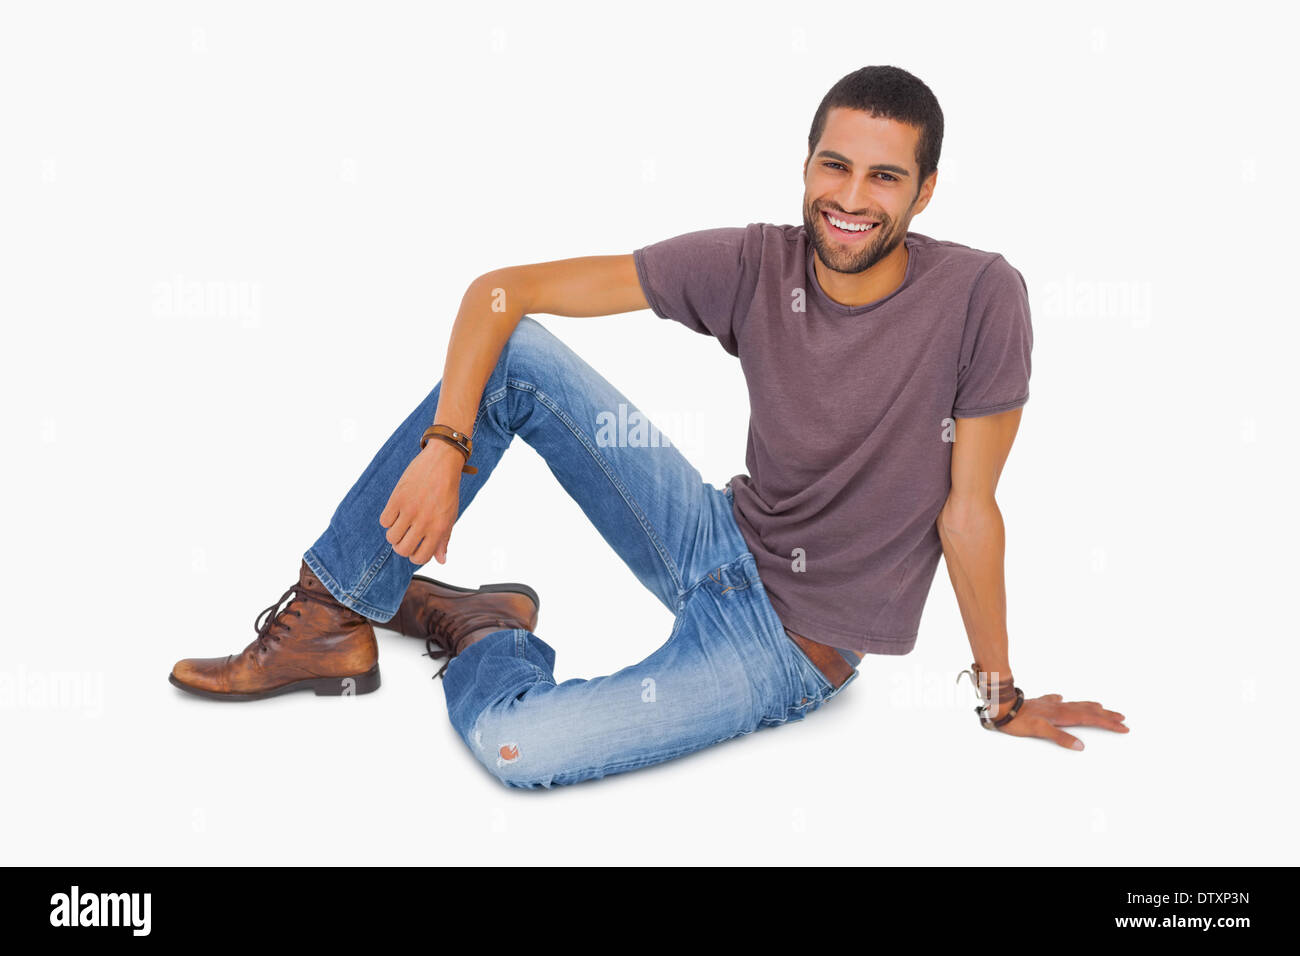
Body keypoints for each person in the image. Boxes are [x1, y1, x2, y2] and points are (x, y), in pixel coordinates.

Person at [170, 65, 1129, 788]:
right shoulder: (755, 261)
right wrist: (444, 444)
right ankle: (331, 611)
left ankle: (482, 629)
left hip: (785, 651)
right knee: (518, 359)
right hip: (713, 537)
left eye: (884, 177)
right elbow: (502, 294)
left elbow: (969, 515)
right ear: (805, 166)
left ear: (923, 193)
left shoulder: (981, 296)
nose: (849, 197)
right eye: (834, 165)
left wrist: (997, 694)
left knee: (516, 747)